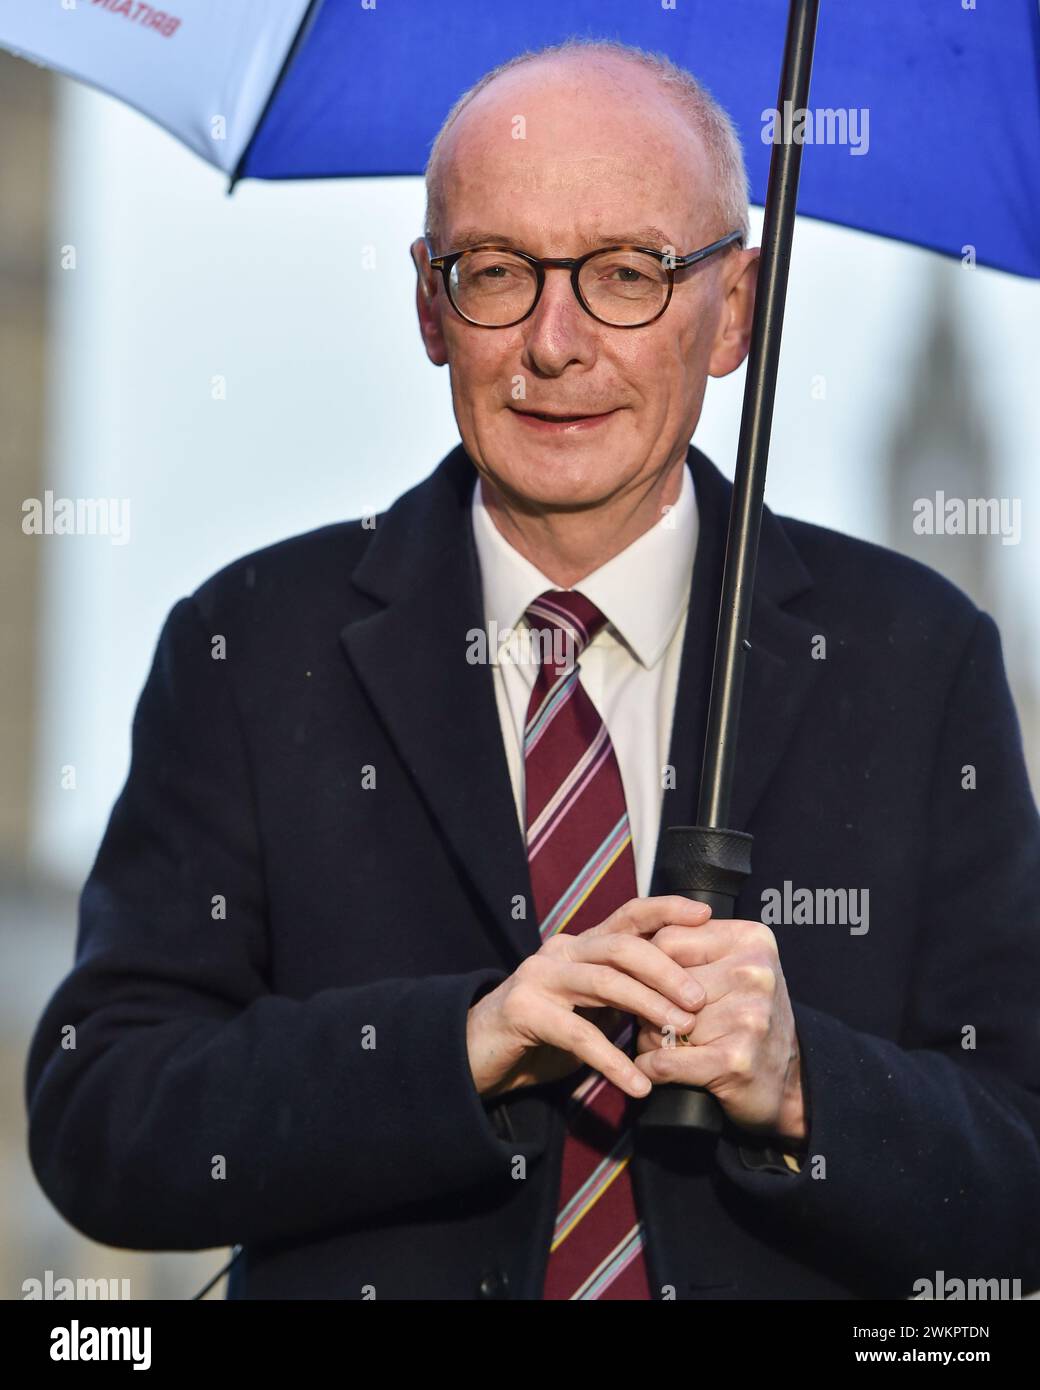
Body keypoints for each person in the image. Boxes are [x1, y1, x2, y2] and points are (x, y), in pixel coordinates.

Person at [25, 37, 1040, 1301]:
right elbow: (102, 1120)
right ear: (426, 305)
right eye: (497, 273)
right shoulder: (248, 646)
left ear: (734, 311)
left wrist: (800, 1084)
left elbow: (1017, 1170)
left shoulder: (918, 658)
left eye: (626, 273)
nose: (553, 344)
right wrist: (459, 1047)